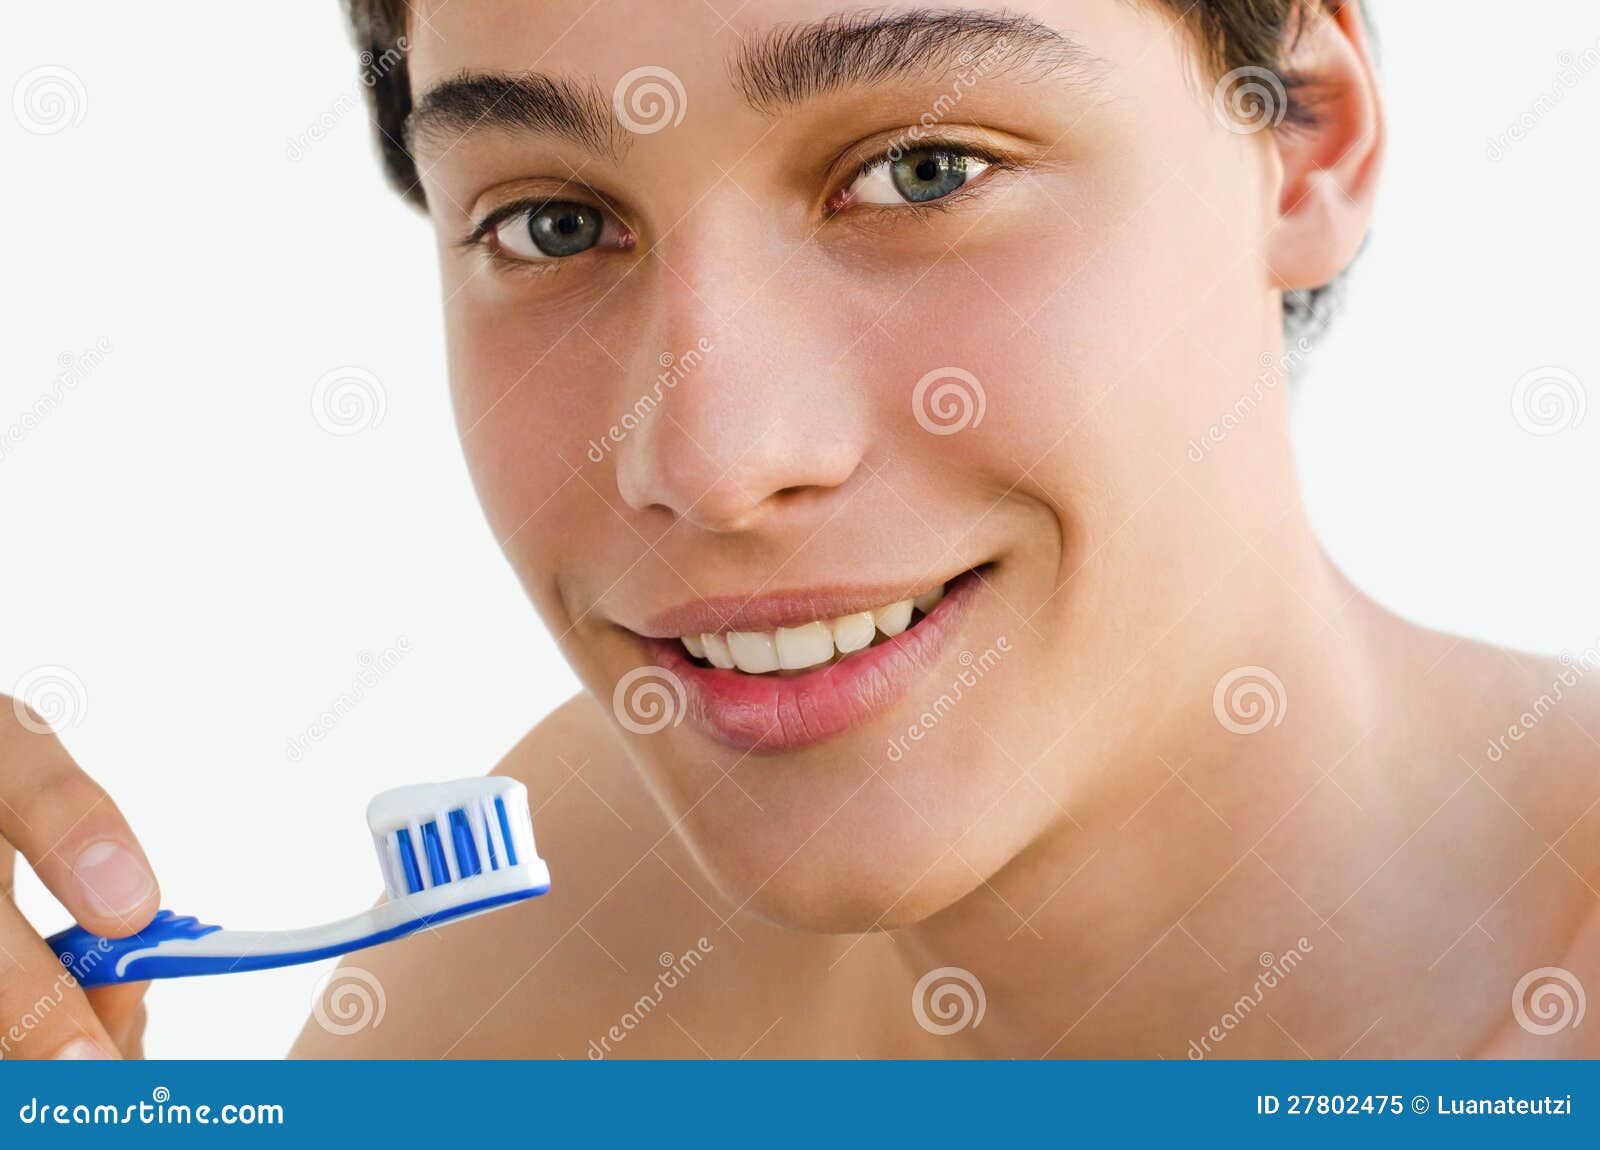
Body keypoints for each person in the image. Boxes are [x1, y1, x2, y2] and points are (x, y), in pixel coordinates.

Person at [5, 0, 1597, 1060]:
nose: (711, 458)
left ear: (1306, 133)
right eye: (554, 221)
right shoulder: (527, 973)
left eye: (923, 169)